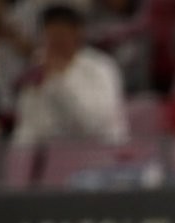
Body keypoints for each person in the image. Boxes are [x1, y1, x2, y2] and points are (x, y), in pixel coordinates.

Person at [12, 3, 128, 145]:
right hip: (49, 156)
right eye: (50, 36)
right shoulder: (38, 67)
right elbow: (28, 124)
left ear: (78, 33)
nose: (55, 42)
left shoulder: (101, 68)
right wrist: (18, 155)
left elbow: (91, 124)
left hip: (97, 153)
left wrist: (58, 80)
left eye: (61, 35)